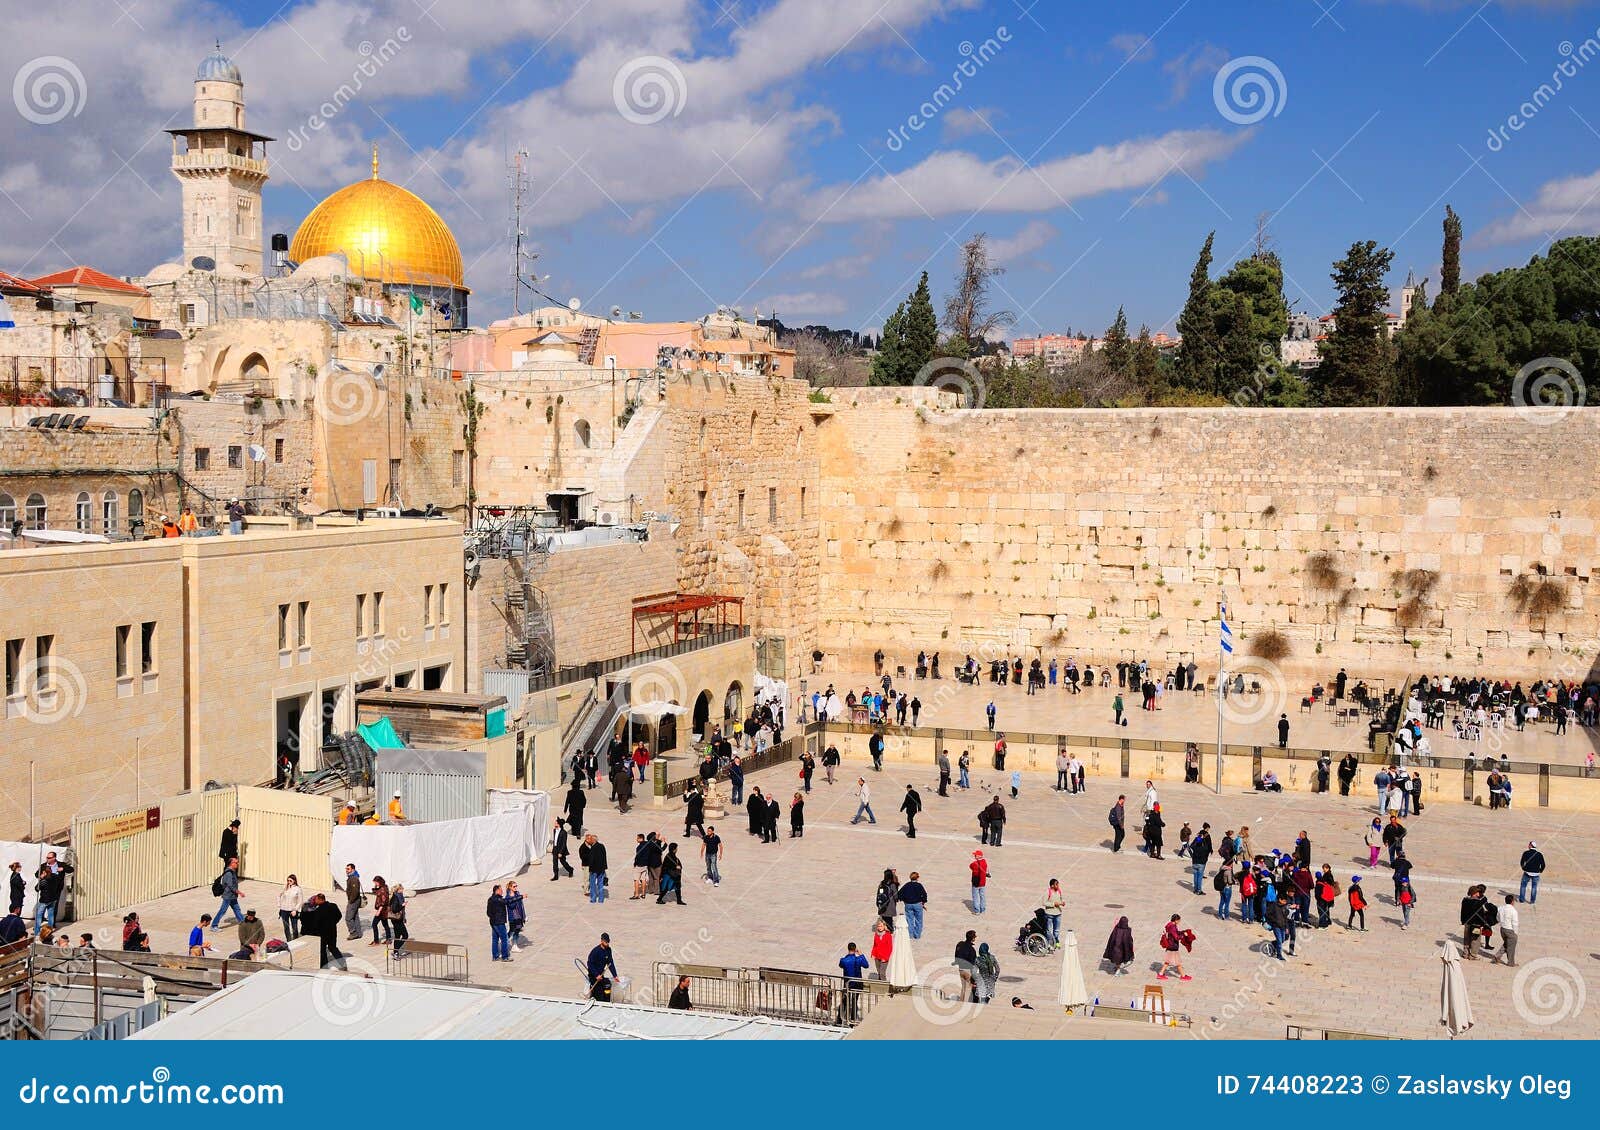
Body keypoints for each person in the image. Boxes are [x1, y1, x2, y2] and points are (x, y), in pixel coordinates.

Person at [299, 893, 345, 969]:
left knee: (322, 950)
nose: (315, 901)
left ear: (319, 899)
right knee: (333, 948)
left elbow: (315, 923)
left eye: (316, 899)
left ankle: (324, 967)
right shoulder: (333, 906)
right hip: (332, 931)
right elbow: (339, 916)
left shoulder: (318, 911)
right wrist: (333, 923)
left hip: (322, 934)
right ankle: (343, 964)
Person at [839, 942, 870, 1020]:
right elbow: (866, 965)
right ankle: (853, 1019)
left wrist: (847, 956)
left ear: (848, 949)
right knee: (854, 1001)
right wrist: (861, 954)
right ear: (855, 949)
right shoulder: (859, 959)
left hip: (848, 984)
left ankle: (840, 1018)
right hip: (857, 984)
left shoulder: (844, 960)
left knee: (845, 1001)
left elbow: (840, 965)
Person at [212, 857, 245, 930]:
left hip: (232, 895)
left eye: (238, 862)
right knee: (222, 911)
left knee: (237, 909)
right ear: (231, 863)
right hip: (228, 896)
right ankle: (214, 925)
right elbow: (230, 886)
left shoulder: (232, 871)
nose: (237, 864)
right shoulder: (229, 873)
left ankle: (243, 922)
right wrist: (240, 893)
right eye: (236, 863)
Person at [1157, 914, 1193, 980]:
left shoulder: (1170, 925)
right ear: (1176, 920)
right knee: (1178, 963)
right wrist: (1183, 935)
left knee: (1167, 961)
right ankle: (1183, 976)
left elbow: (1175, 933)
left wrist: (1182, 932)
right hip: (1173, 946)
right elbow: (1176, 937)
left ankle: (1160, 974)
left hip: (1170, 945)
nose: (1179, 922)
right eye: (1179, 920)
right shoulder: (1172, 927)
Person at [586, 933, 619, 1000]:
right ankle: (595, 996)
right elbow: (590, 964)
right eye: (606, 941)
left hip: (601, 975)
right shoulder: (595, 951)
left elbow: (610, 963)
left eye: (608, 941)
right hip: (594, 976)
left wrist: (615, 975)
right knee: (600, 995)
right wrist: (596, 975)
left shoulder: (608, 950)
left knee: (608, 985)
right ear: (601, 941)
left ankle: (606, 1001)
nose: (607, 943)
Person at [579, 833, 608, 904]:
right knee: (600, 884)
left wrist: (590, 869)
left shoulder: (593, 848)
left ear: (594, 840)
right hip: (601, 869)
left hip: (594, 869)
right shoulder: (602, 846)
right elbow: (604, 857)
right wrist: (604, 867)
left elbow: (591, 860)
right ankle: (601, 899)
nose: (590, 841)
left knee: (592, 884)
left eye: (591, 839)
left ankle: (593, 898)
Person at [898, 872, 928, 939]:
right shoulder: (919, 885)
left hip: (908, 904)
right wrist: (923, 902)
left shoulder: (907, 885)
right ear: (917, 878)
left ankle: (910, 935)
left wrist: (904, 900)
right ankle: (917, 935)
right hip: (917, 904)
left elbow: (899, 894)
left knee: (909, 920)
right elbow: (924, 894)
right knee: (919, 920)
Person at [1492, 895, 1519, 967]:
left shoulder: (1501, 908)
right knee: (1511, 947)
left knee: (1507, 944)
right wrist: (1515, 933)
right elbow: (1515, 923)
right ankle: (1511, 963)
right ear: (1512, 901)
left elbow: (1497, 918)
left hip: (1502, 929)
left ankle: (1497, 956)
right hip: (1510, 930)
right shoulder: (1513, 911)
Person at [487, 884, 511, 962]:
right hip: (499, 922)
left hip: (493, 922)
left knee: (495, 939)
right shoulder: (498, 899)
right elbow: (507, 901)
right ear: (497, 891)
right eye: (501, 890)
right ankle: (505, 957)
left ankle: (495, 956)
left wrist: (492, 918)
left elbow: (488, 913)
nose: (502, 891)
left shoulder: (490, 899)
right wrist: (521, 897)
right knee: (504, 939)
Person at [954, 931, 979, 1002]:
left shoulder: (959, 944)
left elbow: (956, 956)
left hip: (961, 969)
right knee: (968, 988)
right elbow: (973, 963)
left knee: (963, 987)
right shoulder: (972, 950)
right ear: (973, 938)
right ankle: (965, 1004)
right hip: (968, 970)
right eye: (974, 937)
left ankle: (961, 1002)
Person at [369, 876, 392, 946]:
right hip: (383, 910)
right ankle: (388, 939)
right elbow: (375, 892)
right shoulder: (382, 887)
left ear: (379, 881)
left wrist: (379, 910)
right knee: (385, 925)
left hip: (382, 910)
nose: (375, 884)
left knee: (374, 924)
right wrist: (376, 886)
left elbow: (384, 901)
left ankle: (376, 941)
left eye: (376, 882)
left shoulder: (383, 889)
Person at [1042, 879, 1065, 948]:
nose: (1058, 886)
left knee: (1056, 929)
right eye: (1056, 884)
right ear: (1052, 885)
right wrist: (1053, 904)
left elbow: (1061, 899)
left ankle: (1056, 941)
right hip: (1049, 914)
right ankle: (1049, 942)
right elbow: (1044, 903)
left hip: (1058, 913)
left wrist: (1062, 903)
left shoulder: (1059, 891)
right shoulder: (1047, 892)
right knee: (1049, 930)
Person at [504, 881, 526, 948]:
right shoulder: (508, 896)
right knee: (511, 931)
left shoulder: (517, 893)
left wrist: (524, 915)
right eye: (514, 886)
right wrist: (516, 898)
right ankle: (504, 942)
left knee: (518, 930)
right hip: (513, 917)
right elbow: (511, 906)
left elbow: (521, 905)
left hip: (519, 916)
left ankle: (515, 944)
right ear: (510, 887)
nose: (516, 887)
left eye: (516, 886)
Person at [388, 883, 408, 958]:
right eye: (402, 889)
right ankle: (396, 951)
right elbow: (394, 909)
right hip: (397, 920)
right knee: (405, 935)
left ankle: (396, 952)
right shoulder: (396, 897)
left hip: (398, 919)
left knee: (397, 936)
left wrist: (404, 917)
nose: (403, 890)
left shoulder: (399, 896)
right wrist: (402, 905)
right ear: (398, 890)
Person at [969, 850, 989, 915]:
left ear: (978, 856)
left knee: (975, 896)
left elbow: (970, 866)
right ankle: (983, 909)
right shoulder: (984, 862)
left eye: (975, 855)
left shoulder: (975, 863)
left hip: (976, 882)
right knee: (982, 896)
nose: (974, 856)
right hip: (983, 882)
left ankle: (977, 910)